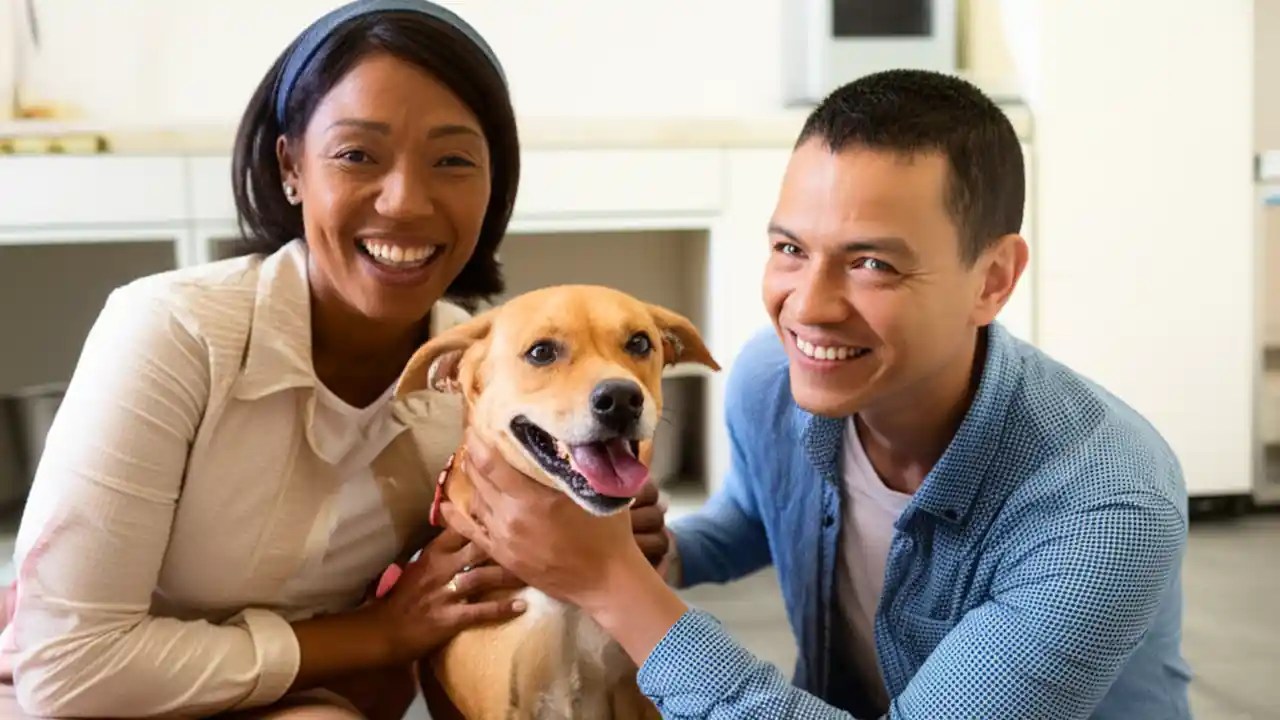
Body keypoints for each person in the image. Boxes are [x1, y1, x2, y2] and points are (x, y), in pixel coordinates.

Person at [445, 69, 1193, 719]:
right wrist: (642, 547)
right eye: (790, 250)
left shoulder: (1105, 503)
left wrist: (614, 585)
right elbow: (755, 518)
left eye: (871, 263)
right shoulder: (774, 380)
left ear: (992, 279)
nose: (807, 308)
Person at [0, 1, 666, 718]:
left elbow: (525, 572)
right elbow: (65, 671)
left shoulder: (487, 377)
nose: (406, 201)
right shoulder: (172, 332)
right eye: (357, 155)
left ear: (493, 183)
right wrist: (374, 635)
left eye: (452, 160)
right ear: (291, 166)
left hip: (298, 701)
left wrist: (611, 528)